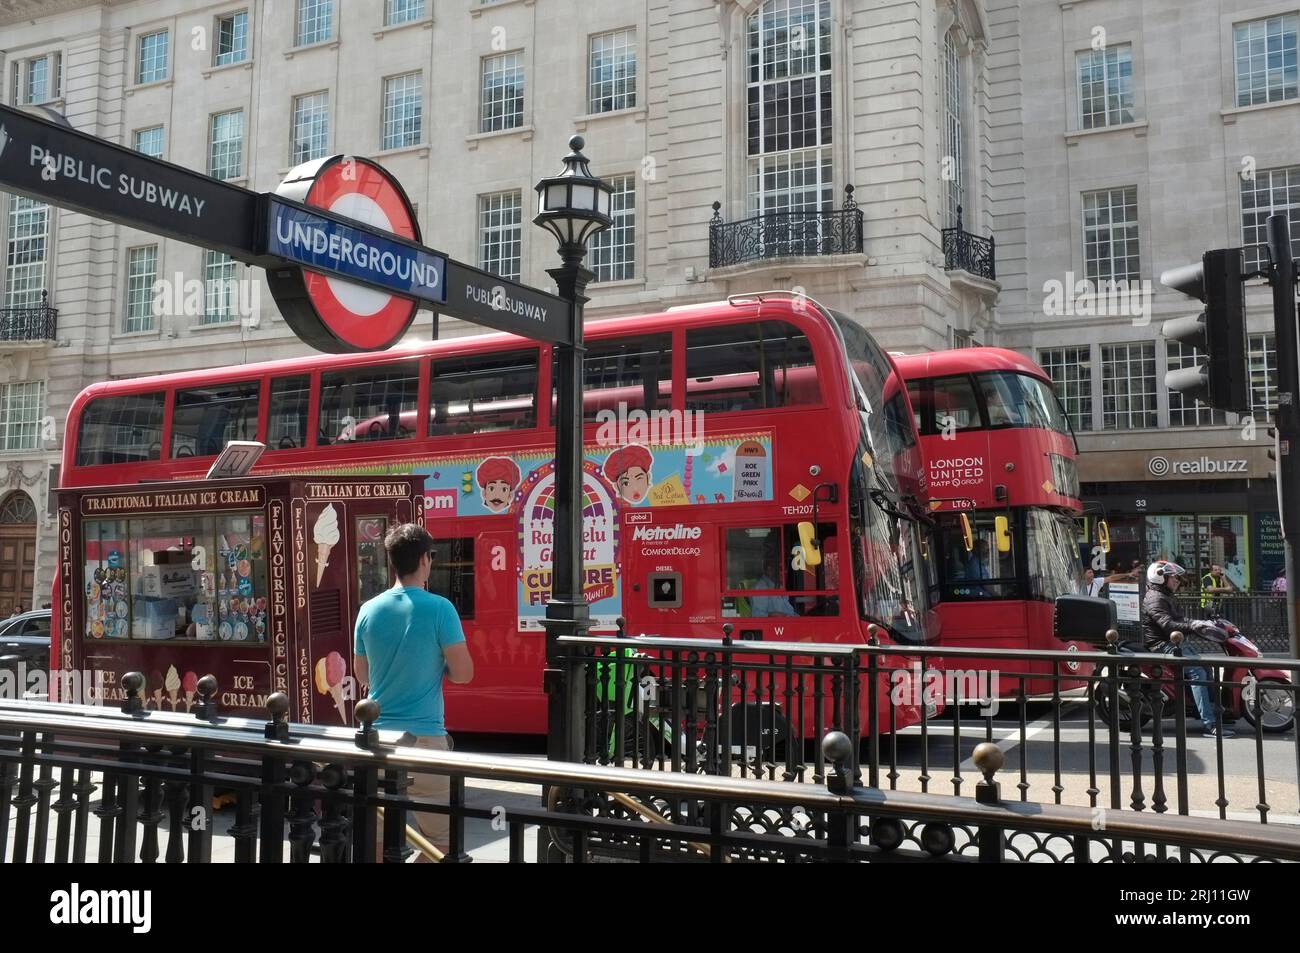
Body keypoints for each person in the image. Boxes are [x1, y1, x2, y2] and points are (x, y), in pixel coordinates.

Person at [353, 523, 474, 860]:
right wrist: (440, 664)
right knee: (446, 844)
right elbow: (464, 673)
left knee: (376, 844)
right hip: (425, 743)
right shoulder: (440, 609)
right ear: (425, 559)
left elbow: (363, 675)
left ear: (392, 562)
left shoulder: (368, 610)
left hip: (377, 742)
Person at [1142, 560, 1234, 738]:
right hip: (1162, 644)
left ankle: (1216, 710)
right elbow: (1167, 625)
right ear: (1160, 577)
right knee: (1197, 672)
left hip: (1174, 642)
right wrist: (1193, 625)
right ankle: (1210, 724)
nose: (1176, 580)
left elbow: (1179, 619)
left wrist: (1200, 624)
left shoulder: (1165, 594)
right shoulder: (1155, 597)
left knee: (1207, 667)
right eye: (1173, 577)